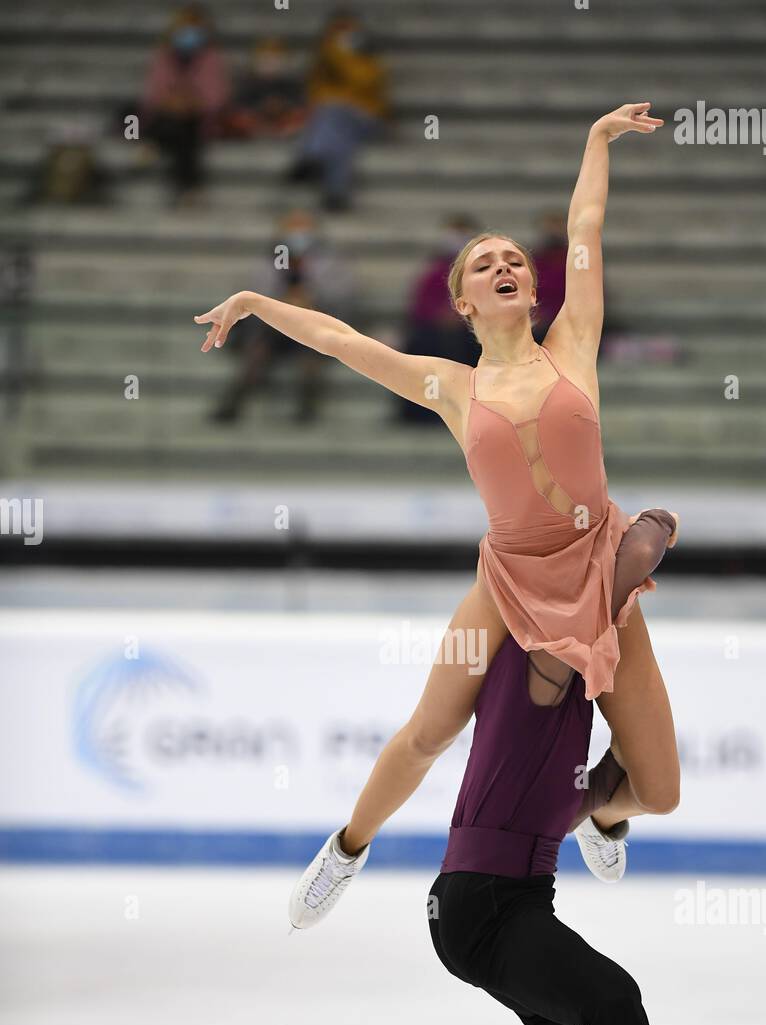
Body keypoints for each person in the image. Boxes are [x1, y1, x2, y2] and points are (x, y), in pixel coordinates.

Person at [193, 102, 680, 905]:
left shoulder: (575, 342)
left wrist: (595, 139)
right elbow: (342, 342)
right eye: (484, 263)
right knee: (431, 728)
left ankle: (597, 810)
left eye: (514, 258)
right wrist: (256, 301)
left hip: (600, 569)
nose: (504, 265)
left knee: (658, 790)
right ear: (464, 303)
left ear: (531, 287)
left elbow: (586, 225)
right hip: (509, 581)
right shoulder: (451, 386)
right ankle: (348, 850)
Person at [293, 633, 704, 1025]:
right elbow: (426, 737)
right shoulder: (537, 669)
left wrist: (604, 806)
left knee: (563, 1023)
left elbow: (640, 765)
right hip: (478, 909)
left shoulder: (579, 746)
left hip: (507, 910)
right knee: (612, 1002)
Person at [210, 210, 355, 425]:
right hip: (273, 328)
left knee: (310, 363)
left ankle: (307, 409)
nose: (298, 235)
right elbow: (252, 296)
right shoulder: (270, 261)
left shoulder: (328, 263)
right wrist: (280, 303)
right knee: (256, 355)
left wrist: (311, 300)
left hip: (314, 327)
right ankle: (232, 404)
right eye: (293, 228)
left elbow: (343, 295)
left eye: (303, 228)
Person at [286, 10, 389, 211]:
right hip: (337, 125)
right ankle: (336, 192)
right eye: (338, 31)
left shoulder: (370, 62)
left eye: (348, 30)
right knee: (340, 139)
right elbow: (315, 96)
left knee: (333, 114)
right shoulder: (323, 65)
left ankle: (311, 156)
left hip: (368, 120)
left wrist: (337, 55)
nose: (343, 36)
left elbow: (362, 82)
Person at [394, 215, 481, 426]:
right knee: (419, 346)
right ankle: (420, 411)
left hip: (474, 328)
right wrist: (440, 315)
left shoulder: (483, 270)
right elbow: (420, 304)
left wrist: (464, 316)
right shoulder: (435, 269)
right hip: (434, 328)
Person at [141, 4, 231, 204]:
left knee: (183, 130)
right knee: (177, 129)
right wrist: (173, 103)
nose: (189, 33)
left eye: (195, 27)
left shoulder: (211, 59)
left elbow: (216, 98)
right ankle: (189, 187)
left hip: (196, 120)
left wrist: (191, 103)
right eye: (185, 27)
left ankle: (153, 147)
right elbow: (153, 95)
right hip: (166, 116)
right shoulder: (164, 56)